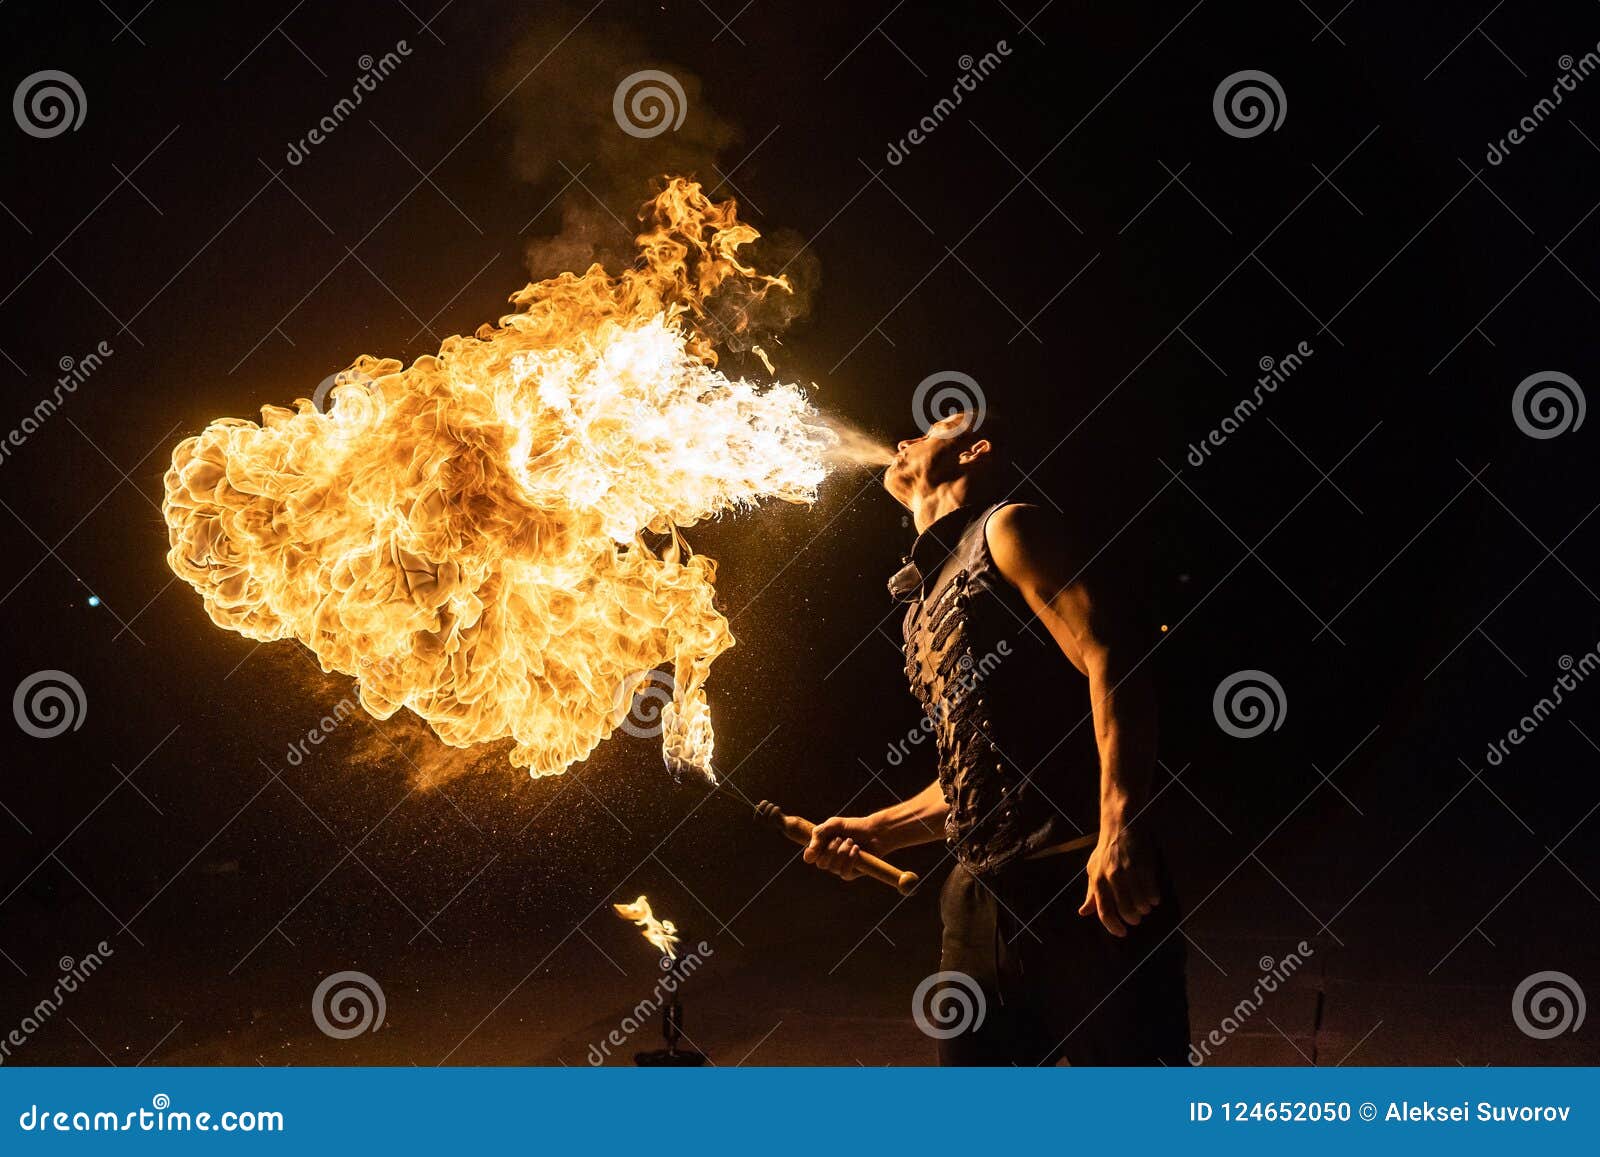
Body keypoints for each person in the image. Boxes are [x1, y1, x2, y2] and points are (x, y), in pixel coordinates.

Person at [803, 407, 1189, 1065]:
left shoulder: (1009, 528)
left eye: (931, 430)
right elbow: (976, 768)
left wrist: (1120, 826)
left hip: (1081, 889)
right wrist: (879, 828)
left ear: (975, 451)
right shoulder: (920, 602)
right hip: (976, 906)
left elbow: (1113, 653)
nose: (902, 440)